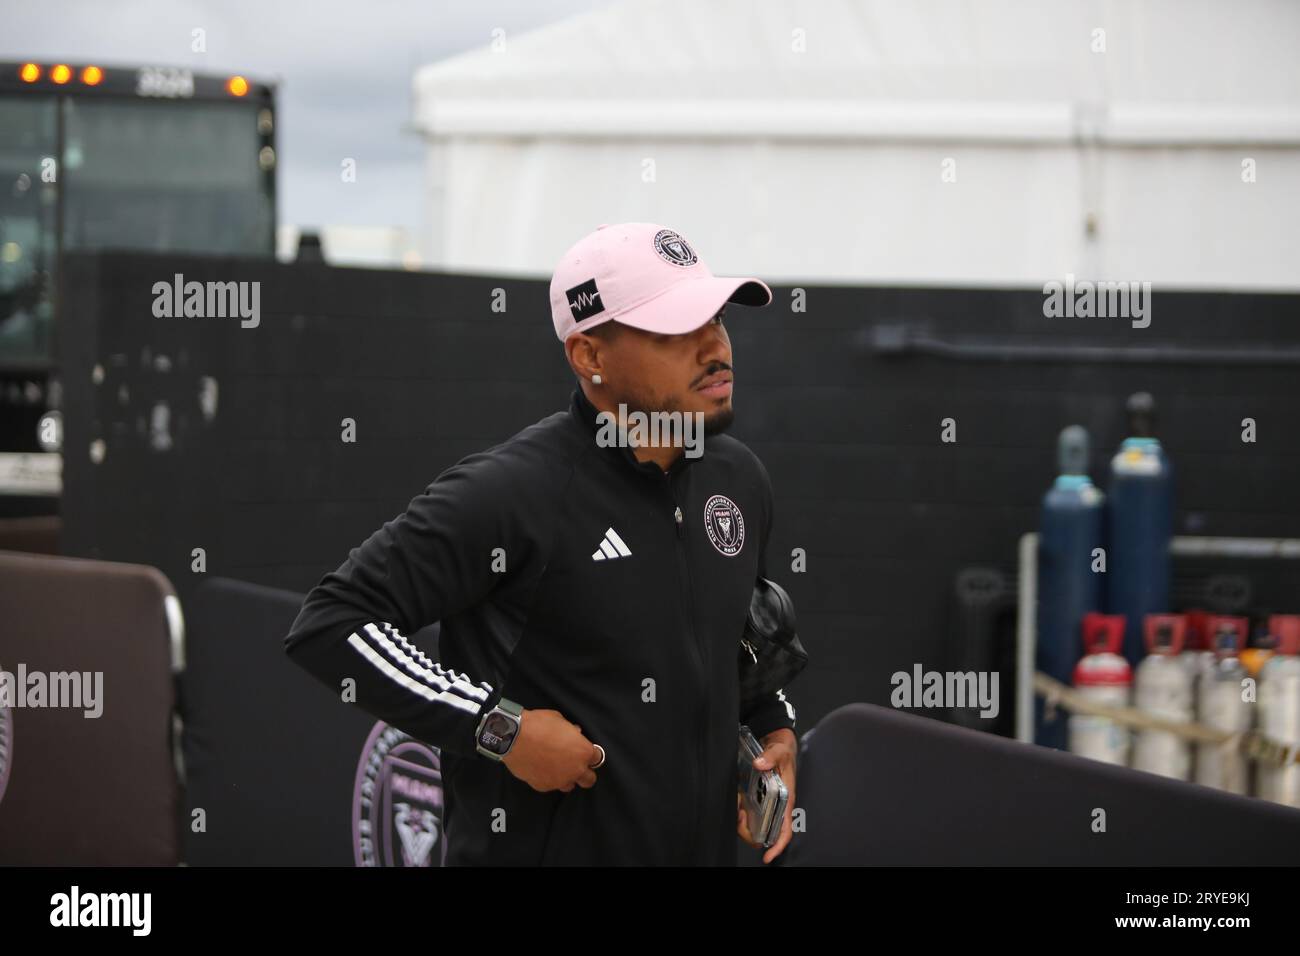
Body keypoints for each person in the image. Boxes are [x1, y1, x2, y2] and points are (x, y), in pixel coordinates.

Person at [285, 222, 798, 865]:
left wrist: (773, 724)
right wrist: (500, 729)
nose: (715, 349)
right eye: (675, 331)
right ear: (590, 357)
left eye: (717, 319)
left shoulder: (739, 477)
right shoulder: (514, 490)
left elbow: (739, 638)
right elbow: (331, 622)